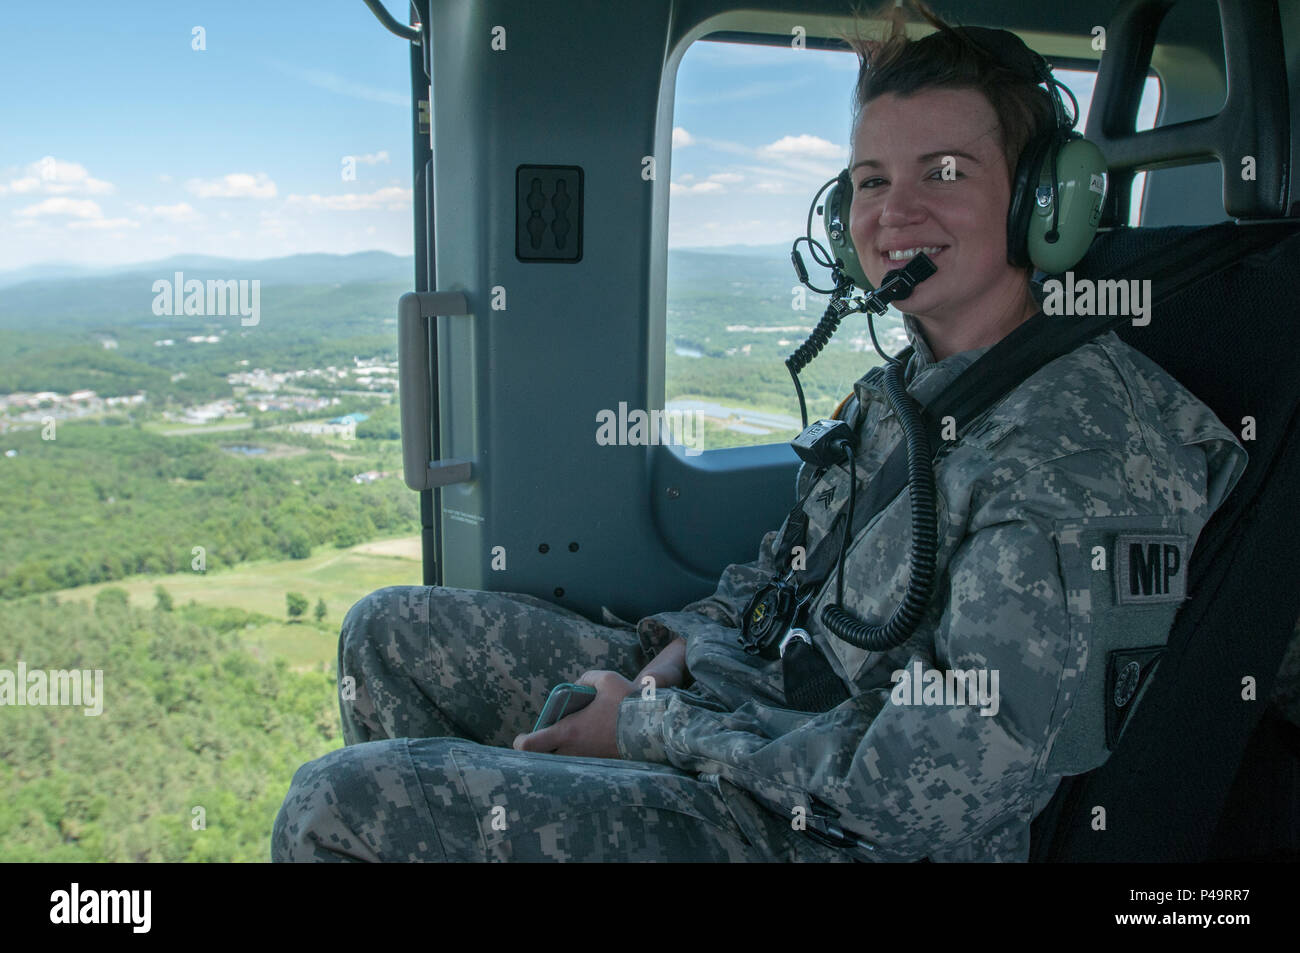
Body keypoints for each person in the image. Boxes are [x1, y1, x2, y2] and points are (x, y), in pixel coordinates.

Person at [272, 4, 1247, 862]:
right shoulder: (901, 391)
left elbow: (932, 795)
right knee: (387, 633)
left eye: (943, 171)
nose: (892, 212)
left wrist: (648, 730)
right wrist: (662, 664)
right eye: (868, 181)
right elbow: (774, 578)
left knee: (337, 805)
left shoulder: (1077, 453)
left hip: (825, 831)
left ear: (1044, 201)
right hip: (748, 719)